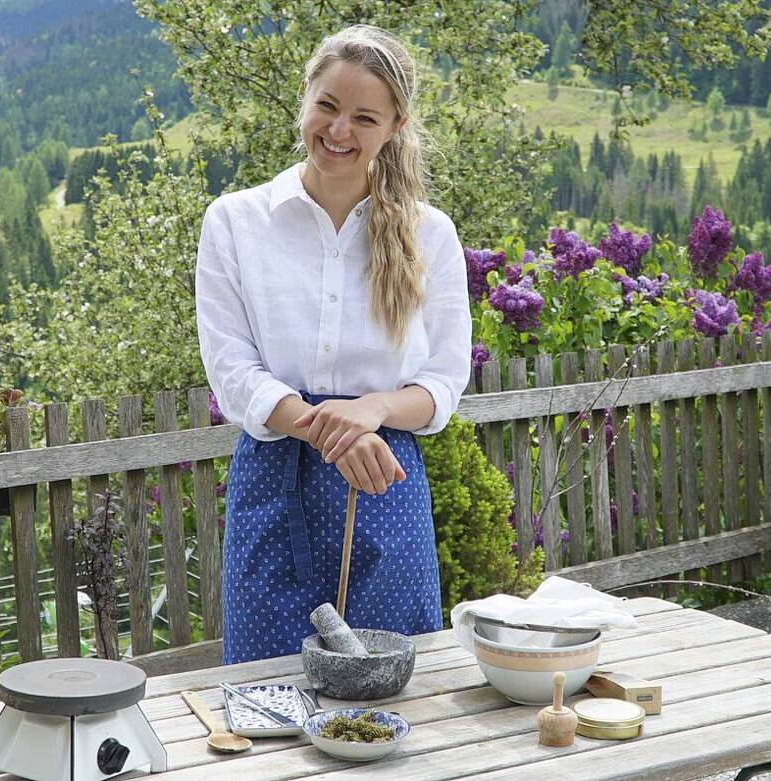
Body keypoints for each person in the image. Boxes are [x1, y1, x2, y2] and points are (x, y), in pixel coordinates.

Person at [195, 24, 471, 664]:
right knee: (268, 693)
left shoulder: (430, 235)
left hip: (383, 482)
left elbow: (445, 381)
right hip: (275, 479)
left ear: (395, 126)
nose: (339, 130)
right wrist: (327, 430)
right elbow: (232, 369)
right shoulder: (235, 222)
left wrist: (372, 410)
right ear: (305, 99)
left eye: (364, 116)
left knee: (391, 688)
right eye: (327, 106)